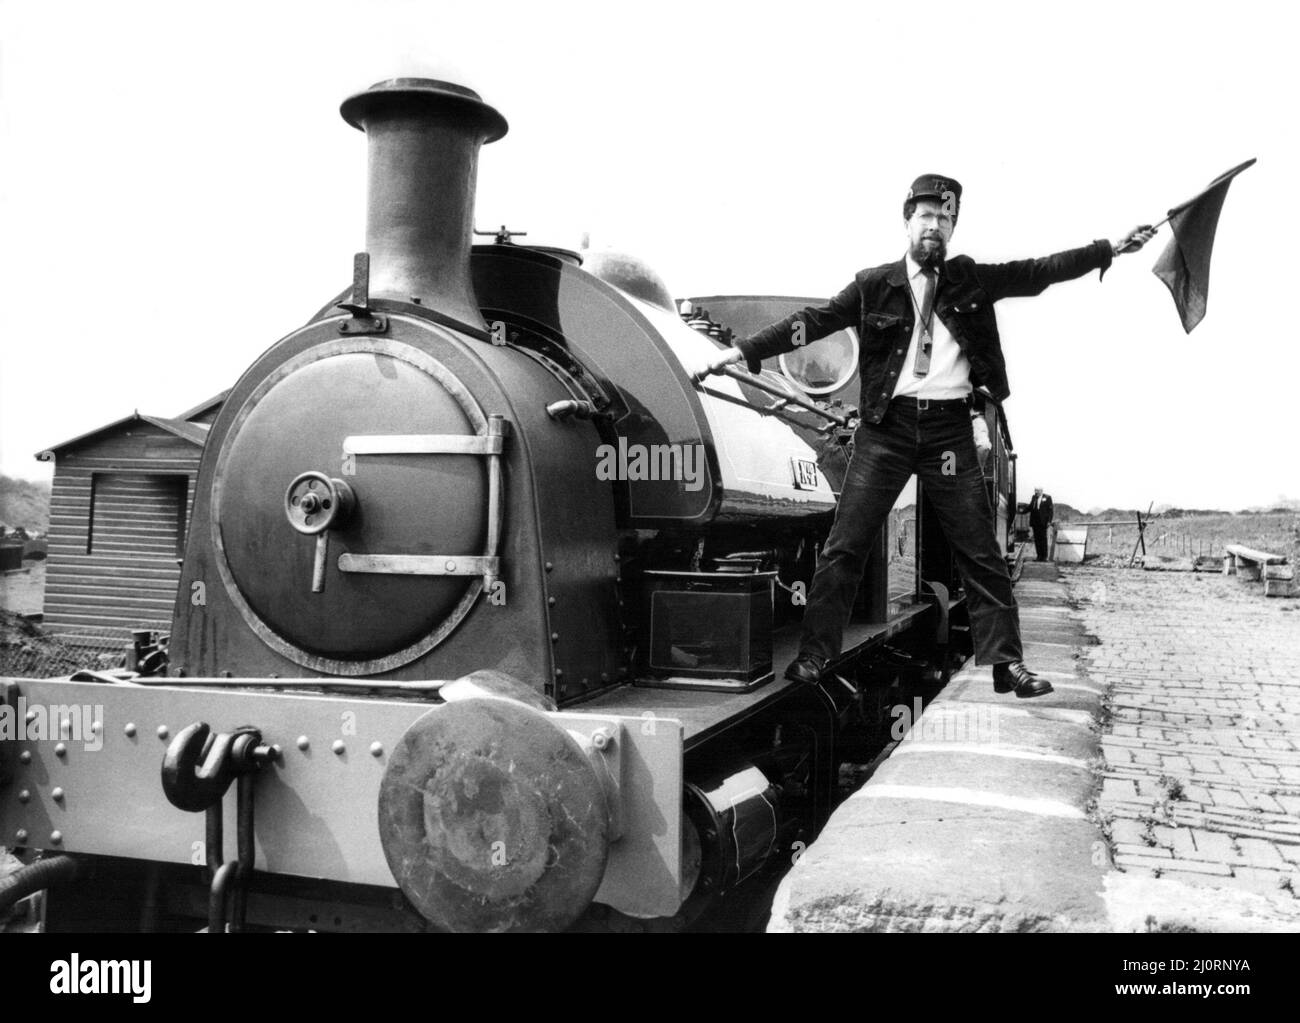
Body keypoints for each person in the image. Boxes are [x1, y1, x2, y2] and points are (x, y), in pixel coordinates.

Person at [695, 174, 1155, 698]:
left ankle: (1007, 664)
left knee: (978, 548)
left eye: (944, 218)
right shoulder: (874, 285)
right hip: (886, 431)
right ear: (907, 221)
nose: (934, 226)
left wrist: (1108, 248)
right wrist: (745, 351)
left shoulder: (971, 281)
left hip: (947, 433)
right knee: (845, 547)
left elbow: (1040, 272)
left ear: (953, 227)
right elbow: (813, 322)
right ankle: (814, 657)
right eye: (926, 216)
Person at [1029, 487, 1055, 561]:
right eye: (1035, 491)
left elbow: (1050, 511)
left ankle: (1044, 557)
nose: (1036, 492)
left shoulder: (1047, 497)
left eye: (1037, 491)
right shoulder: (1034, 497)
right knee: (1037, 540)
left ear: (1041, 491)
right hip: (1035, 522)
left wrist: (1049, 521)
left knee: (1043, 540)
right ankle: (1039, 556)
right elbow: (1030, 507)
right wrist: (1021, 511)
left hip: (1043, 523)